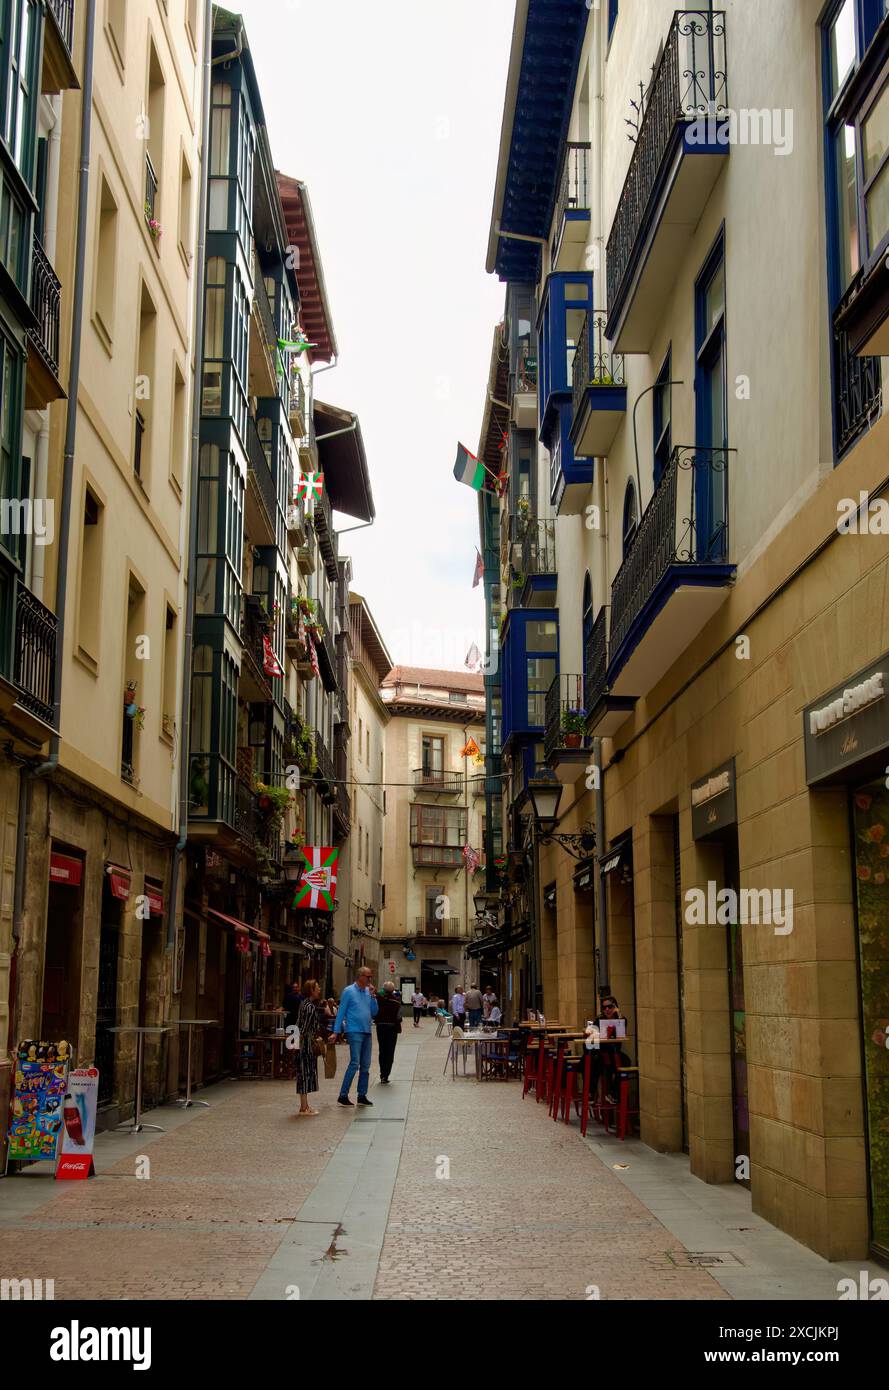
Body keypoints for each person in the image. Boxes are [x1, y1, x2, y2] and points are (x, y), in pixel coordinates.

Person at [333, 967, 379, 1106]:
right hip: (354, 1031)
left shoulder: (368, 992)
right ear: (360, 976)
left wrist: (373, 997)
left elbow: (374, 1012)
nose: (370, 979)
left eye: (370, 977)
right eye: (368, 976)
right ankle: (343, 1095)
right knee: (354, 1063)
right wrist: (336, 1031)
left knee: (366, 1065)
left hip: (367, 1031)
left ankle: (362, 1095)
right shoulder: (349, 991)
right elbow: (341, 1012)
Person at [294, 980, 323, 1116]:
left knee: (303, 1074)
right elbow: (304, 1029)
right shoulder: (310, 1007)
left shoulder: (303, 1004)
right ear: (311, 990)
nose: (319, 989)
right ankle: (304, 1108)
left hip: (303, 1043)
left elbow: (298, 1024)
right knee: (305, 1074)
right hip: (306, 1045)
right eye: (317, 987)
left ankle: (305, 1105)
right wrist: (297, 1043)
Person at [375, 981, 403, 1083]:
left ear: (383, 989)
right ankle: (385, 1075)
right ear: (393, 990)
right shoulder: (397, 1002)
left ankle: (382, 1073)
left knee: (382, 1050)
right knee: (390, 1051)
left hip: (381, 1026)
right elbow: (399, 1017)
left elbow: (374, 1012)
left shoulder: (378, 1000)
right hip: (392, 1028)